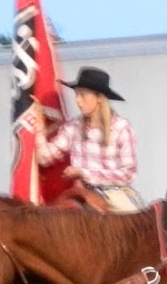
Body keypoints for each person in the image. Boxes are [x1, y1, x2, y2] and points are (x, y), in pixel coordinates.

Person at [31, 66, 143, 210]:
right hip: (80, 193)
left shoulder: (122, 128)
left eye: (83, 95)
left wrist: (83, 172)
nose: (78, 100)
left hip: (115, 195)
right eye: (77, 94)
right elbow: (44, 158)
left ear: (99, 98)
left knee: (132, 221)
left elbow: (128, 174)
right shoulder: (73, 127)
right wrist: (39, 127)